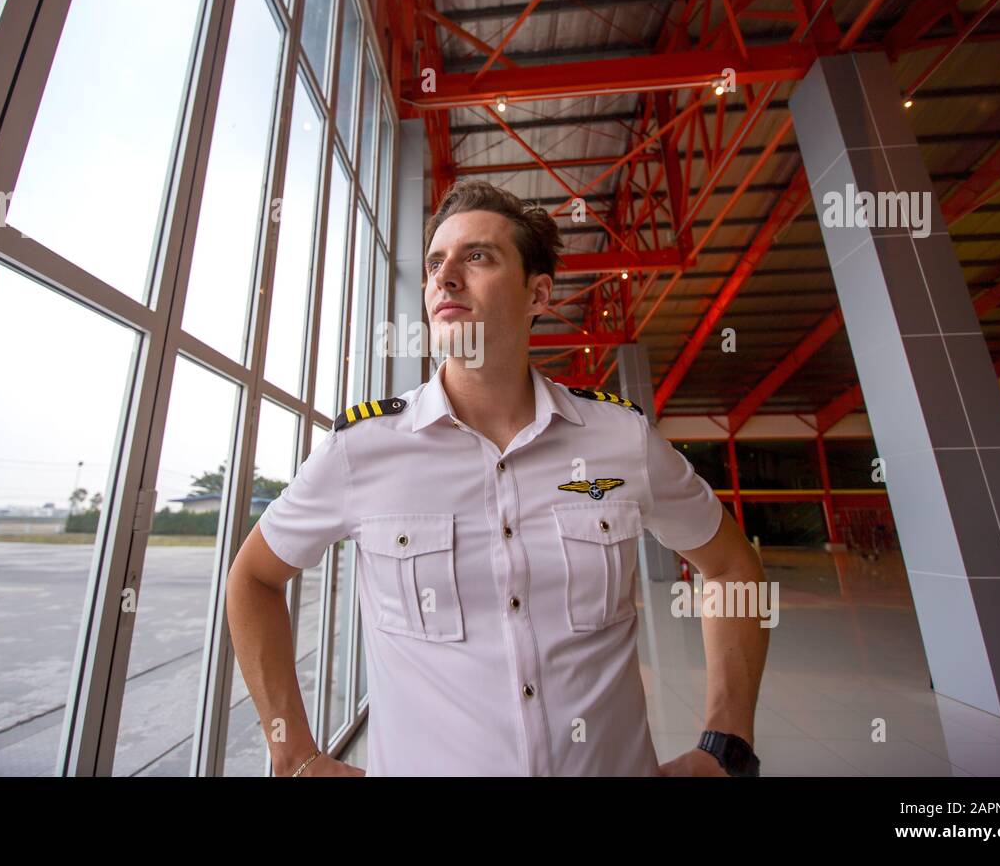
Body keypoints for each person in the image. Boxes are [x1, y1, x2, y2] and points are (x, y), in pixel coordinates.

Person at [226, 179, 769, 777]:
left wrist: (728, 737)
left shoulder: (620, 439)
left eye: (477, 256)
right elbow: (253, 578)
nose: (445, 276)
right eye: (436, 262)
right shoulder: (362, 451)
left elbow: (731, 565)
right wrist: (293, 752)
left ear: (538, 292)